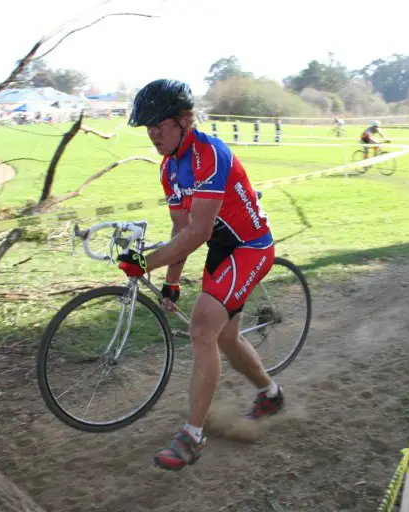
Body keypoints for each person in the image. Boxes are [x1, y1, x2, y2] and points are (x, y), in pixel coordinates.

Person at [118, 79, 284, 471]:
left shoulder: (209, 154)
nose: (153, 133)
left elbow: (198, 232)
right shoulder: (169, 168)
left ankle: (192, 436)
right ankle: (271, 394)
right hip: (223, 250)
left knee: (202, 327)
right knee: (224, 336)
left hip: (251, 247)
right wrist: (172, 281)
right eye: (148, 126)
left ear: (184, 119)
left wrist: (146, 264)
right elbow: (181, 230)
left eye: (159, 123)